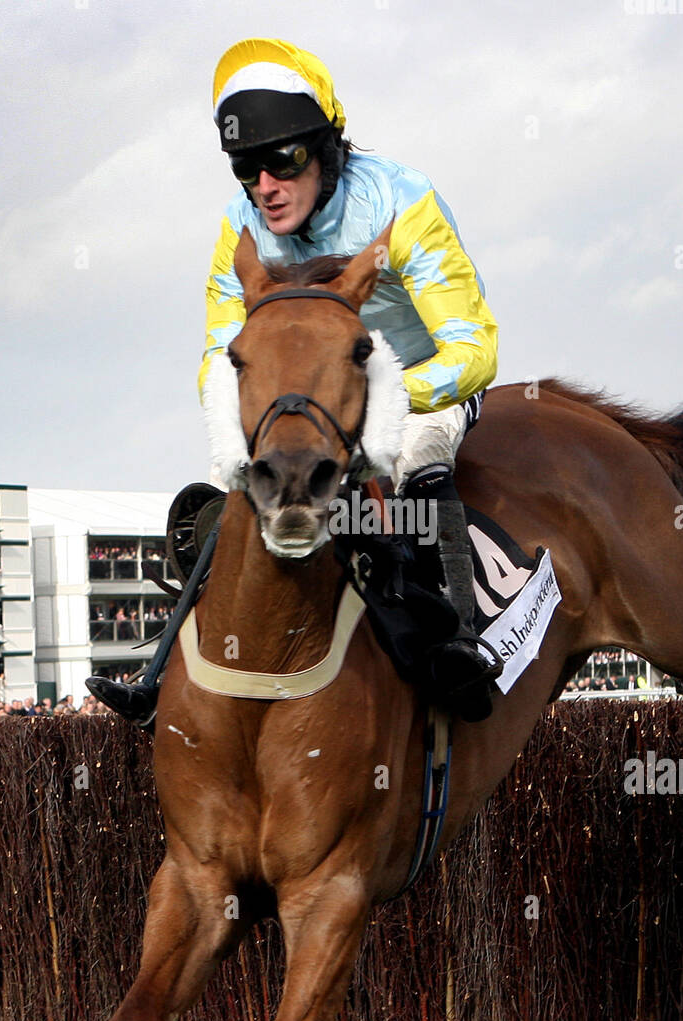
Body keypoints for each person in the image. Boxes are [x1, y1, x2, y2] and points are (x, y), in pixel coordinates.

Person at [89, 37, 502, 726]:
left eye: (284, 161)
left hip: (420, 383)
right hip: (306, 408)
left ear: (327, 149)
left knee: (420, 452)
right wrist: (240, 438)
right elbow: (220, 358)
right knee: (244, 480)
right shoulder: (237, 229)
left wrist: (375, 404)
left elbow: (475, 347)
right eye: (247, 168)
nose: (265, 187)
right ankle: (161, 671)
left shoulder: (404, 202)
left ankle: (459, 639)